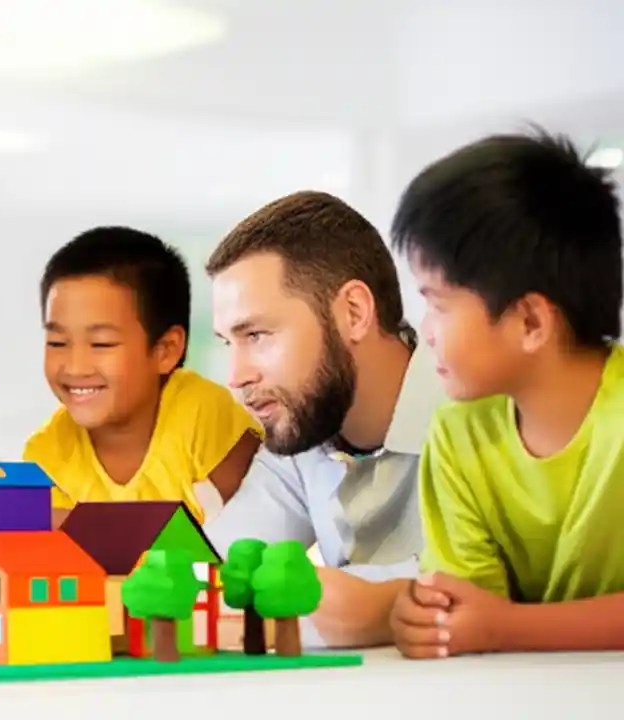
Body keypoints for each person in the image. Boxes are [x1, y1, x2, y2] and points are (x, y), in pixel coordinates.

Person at [388, 128, 624, 658]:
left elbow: (492, 625)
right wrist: (430, 616)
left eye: (439, 304)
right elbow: (469, 610)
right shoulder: (456, 435)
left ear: (529, 320)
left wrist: (506, 628)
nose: (425, 330)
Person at [203, 192, 445, 649]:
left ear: (353, 313)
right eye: (227, 342)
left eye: (256, 334)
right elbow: (215, 579)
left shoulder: (483, 414)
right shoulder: (301, 432)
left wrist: (391, 604)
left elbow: (510, 581)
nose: (236, 377)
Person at [25, 226, 261, 528]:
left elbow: (242, 529)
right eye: (57, 343)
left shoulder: (201, 414)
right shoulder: (47, 453)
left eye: (101, 344)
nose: (75, 367)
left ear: (166, 350)